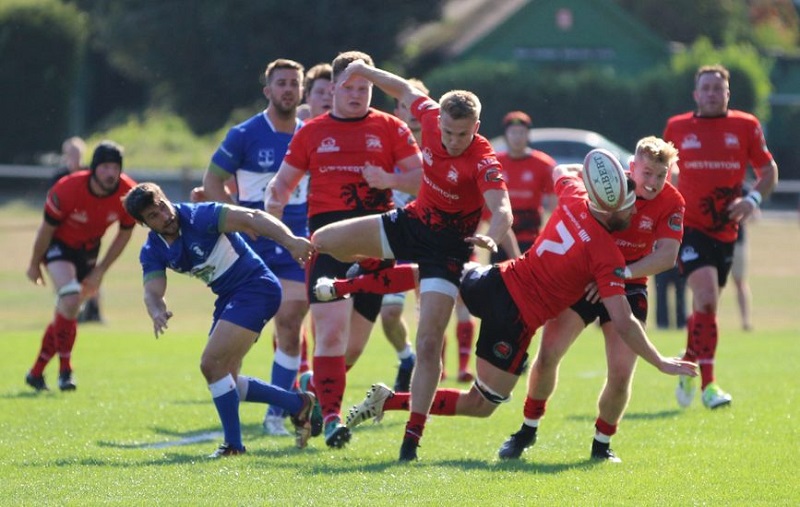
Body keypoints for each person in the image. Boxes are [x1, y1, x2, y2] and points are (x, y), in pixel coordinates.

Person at [343, 151, 697, 462]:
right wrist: (660, 361)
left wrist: (586, 172)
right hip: (516, 318)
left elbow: (561, 173)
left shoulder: (574, 197)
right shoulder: (606, 254)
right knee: (481, 404)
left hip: (497, 280)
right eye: (631, 202)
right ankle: (394, 402)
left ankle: (348, 284)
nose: (638, 205)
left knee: (442, 272)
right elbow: (624, 321)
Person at [310, 58, 514, 462]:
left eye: (462, 134)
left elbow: (503, 208)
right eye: (447, 132)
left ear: (476, 128)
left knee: (427, 342)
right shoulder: (431, 114)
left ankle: (411, 441)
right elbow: (403, 88)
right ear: (438, 121)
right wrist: (364, 73)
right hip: (411, 222)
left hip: (447, 251)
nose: (452, 140)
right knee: (324, 240)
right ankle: (364, 275)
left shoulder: (484, 159)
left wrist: (490, 239)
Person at [264, 50, 423, 449]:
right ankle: (333, 419)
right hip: (329, 241)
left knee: (350, 349)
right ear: (332, 88)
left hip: (378, 242)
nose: (356, 95)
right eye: (349, 87)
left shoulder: (391, 128)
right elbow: (280, 187)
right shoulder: (311, 131)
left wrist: (387, 177)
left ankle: (311, 389)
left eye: (364, 88)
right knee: (331, 335)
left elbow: (422, 182)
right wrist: (279, 226)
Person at [497, 136, 685, 462]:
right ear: (631, 168)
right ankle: (527, 430)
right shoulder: (608, 184)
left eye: (661, 174)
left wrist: (620, 275)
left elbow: (667, 257)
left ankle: (602, 444)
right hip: (584, 281)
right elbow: (563, 171)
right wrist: (581, 172)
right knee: (548, 354)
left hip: (628, 283)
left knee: (622, 372)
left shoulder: (672, 201)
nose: (654, 182)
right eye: (648, 173)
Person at [122, 182, 318, 457]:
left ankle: (233, 446)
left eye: (162, 207)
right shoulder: (153, 250)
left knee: (211, 364)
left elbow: (253, 218)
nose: (164, 216)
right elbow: (152, 291)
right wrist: (156, 311)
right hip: (229, 296)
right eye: (153, 216)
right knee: (227, 382)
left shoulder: (199, 216)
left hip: (256, 287)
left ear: (167, 199)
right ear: (144, 224)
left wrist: (290, 241)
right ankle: (298, 404)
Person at [193, 58, 310, 437]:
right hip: (253, 246)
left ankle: (277, 413)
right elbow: (213, 182)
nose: (288, 89)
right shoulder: (244, 134)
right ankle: (249, 400)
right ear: (268, 90)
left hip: (295, 244)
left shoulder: (310, 136)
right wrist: (240, 221)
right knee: (232, 354)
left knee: (290, 322)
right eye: (281, 83)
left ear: (302, 90)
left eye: (294, 83)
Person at [663, 64, 778, 409]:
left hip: (727, 230)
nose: (712, 93)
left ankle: (687, 359)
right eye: (706, 88)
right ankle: (709, 387)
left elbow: (768, 170)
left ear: (728, 93)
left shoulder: (746, 126)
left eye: (718, 88)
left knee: (705, 307)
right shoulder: (677, 127)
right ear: (696, 94)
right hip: (689, 228)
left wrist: (752, 198)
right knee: (708, 296)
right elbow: (661, 173)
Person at [25, 141, 136, 392]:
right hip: (59, 247)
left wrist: (100, 271)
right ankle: (66, 371)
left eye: (115, 167)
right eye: (105, 166)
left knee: (68, 310)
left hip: (89, 253)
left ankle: (36, 372)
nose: (111, 173)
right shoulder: (68, 187)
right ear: (95, 168)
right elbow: (46, 229)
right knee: (71, 299)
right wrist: (34, 264)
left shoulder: (127, 192)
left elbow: (125, 234)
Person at [50, 137, 105, 323]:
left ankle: (95, 312)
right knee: (65, 275)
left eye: (77, 153)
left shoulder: (92, 175)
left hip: (88, 236)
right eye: (70, 153)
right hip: (64, 236)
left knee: (91, 275)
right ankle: (68, 312)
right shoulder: (59, 176)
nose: (74, 157)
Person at [492, 110, 556, 261]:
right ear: (505, 135)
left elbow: (554, 202)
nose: (517, 137)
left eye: (521, 132)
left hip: (530, 236)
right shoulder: (495, 163)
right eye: (513, 132)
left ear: (528, 135)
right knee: (495, 279)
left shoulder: (543, 164)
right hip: (501, 235)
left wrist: (550, 232)